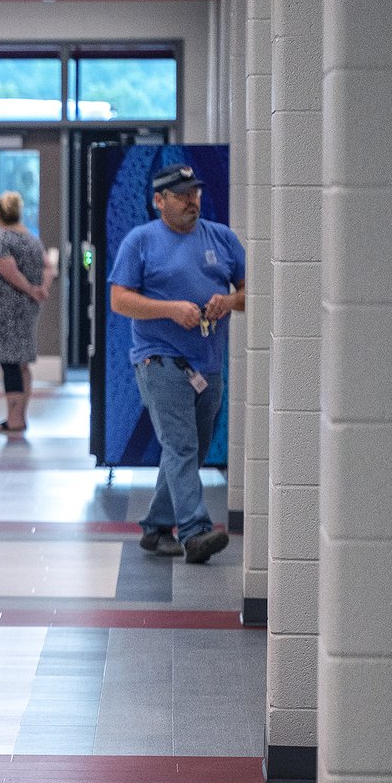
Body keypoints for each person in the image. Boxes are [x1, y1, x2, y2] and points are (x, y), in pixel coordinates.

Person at [109, 163, 245, 564]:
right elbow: (120, 300)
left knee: (192, 448)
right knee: (182, 444)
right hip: (159, 358)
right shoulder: (141, 241)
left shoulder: (222, 238)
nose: (192, 200)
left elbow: (250, 291)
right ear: (158, 201)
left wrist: (229, 302)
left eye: (195, 192)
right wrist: (169, 311)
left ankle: (155, 527)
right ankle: (196, 530)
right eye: (182, 194)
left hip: (209, 362)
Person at [0, 191, 55, 435]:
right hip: (26, 311)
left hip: (4, 312)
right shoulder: (31, 239)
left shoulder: (1, 240)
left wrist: (30, 289)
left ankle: (14, 419)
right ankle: (20, 415)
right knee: (20, 363)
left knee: (9, 364)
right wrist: (42, 290)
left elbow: (7, 269)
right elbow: (48, 266)